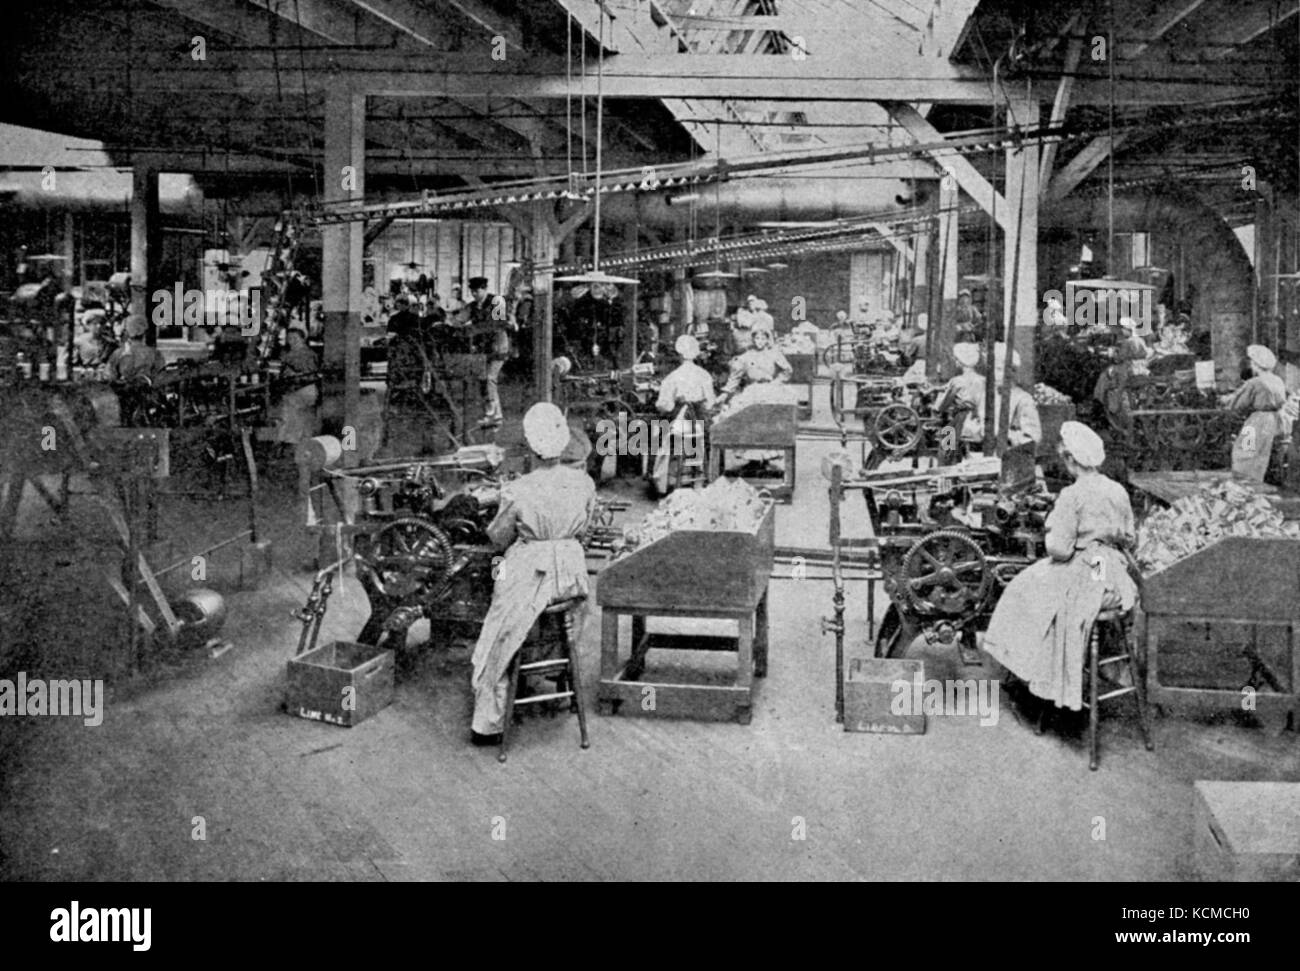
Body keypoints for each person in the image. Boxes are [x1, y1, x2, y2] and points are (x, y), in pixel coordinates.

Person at [982, 422, 1139, 712]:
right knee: (1091, 583)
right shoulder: (1117, 490)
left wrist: (1050, 529)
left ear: (1069, 459)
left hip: (1088, 568)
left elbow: (1059, 549)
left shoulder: (1072, 495)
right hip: (1109, 571)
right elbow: (1130, 537)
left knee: (1023, 590)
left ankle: (1034, 673)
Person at [469, 402, 596, 746]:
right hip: (572, 574)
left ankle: (489, 723)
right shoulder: (583, 482)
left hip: (532, 572)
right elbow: (585, 529)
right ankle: (554, 668)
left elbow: (497, 537)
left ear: (529, 445)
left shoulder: (518, 488)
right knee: (543, 613)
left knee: (497, 629)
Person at [649, 334, 716, 493]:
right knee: (699, 437)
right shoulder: (704, 375)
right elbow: (710, 402)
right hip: (699, 424)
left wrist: (664, 404)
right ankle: (699, 480)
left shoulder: (673, 377)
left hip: (681, 424)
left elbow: (664, 405)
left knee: (659, 438)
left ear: (679, 354)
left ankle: (660, 484)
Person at [1224, 344, 1288, 482]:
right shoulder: (1278, 380)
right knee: (1264, 453)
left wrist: (1226, 400)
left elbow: (1237, 404)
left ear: (1255, 364)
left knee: (1245, 451)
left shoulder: (1255, 382)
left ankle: (1247, 482)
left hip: (1258, 422)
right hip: (1278, 420)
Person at [965, 343, 1041, 449]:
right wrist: (979, 430)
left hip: (1008, 458)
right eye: (992, 369)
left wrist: (1002, 433)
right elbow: (965, 427)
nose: (994, 374)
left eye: (999, 369)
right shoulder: (982, 395)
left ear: (1012, 372)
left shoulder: (1023, 400)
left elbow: (1032, 439)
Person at [463, 276, 511, 427]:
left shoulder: (497, 301)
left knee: (490, 377)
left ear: (484, 289)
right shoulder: (472, 306)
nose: (474, 294)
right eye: (472, 291)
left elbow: (497, 325)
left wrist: (473, 329)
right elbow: (462, 319)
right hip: (483, 348)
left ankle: (492, 413)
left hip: (498, 346)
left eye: (477, 291)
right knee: (483, 380)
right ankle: (495, 415)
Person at [274, 327, 320, 446]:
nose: (292, 341)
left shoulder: (306, 355)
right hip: (298, 390)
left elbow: (311, 374)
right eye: (289, 338)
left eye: (295, 338)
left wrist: (293, 375)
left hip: (301, 390)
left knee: (294, 420)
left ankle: (292, 445)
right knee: (298, 421)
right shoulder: (289, 354)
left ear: (302, 339)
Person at [722, 322, 792, 396]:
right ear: (753, 339)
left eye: (763, 339)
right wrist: (725, 393)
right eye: (757, 338)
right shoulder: (746, 356)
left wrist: (776, 381)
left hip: (770, 388)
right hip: (752, 389)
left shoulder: (774, 354)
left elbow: (787, 369)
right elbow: (735, 378)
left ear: (767, 340)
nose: (760, 342)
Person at [105, 314, 166, 384]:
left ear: (126, 332)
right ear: (145, 332)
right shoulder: (155, 354)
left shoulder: (118, 353)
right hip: (148, 392)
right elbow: (161, 377)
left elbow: (109, 377)